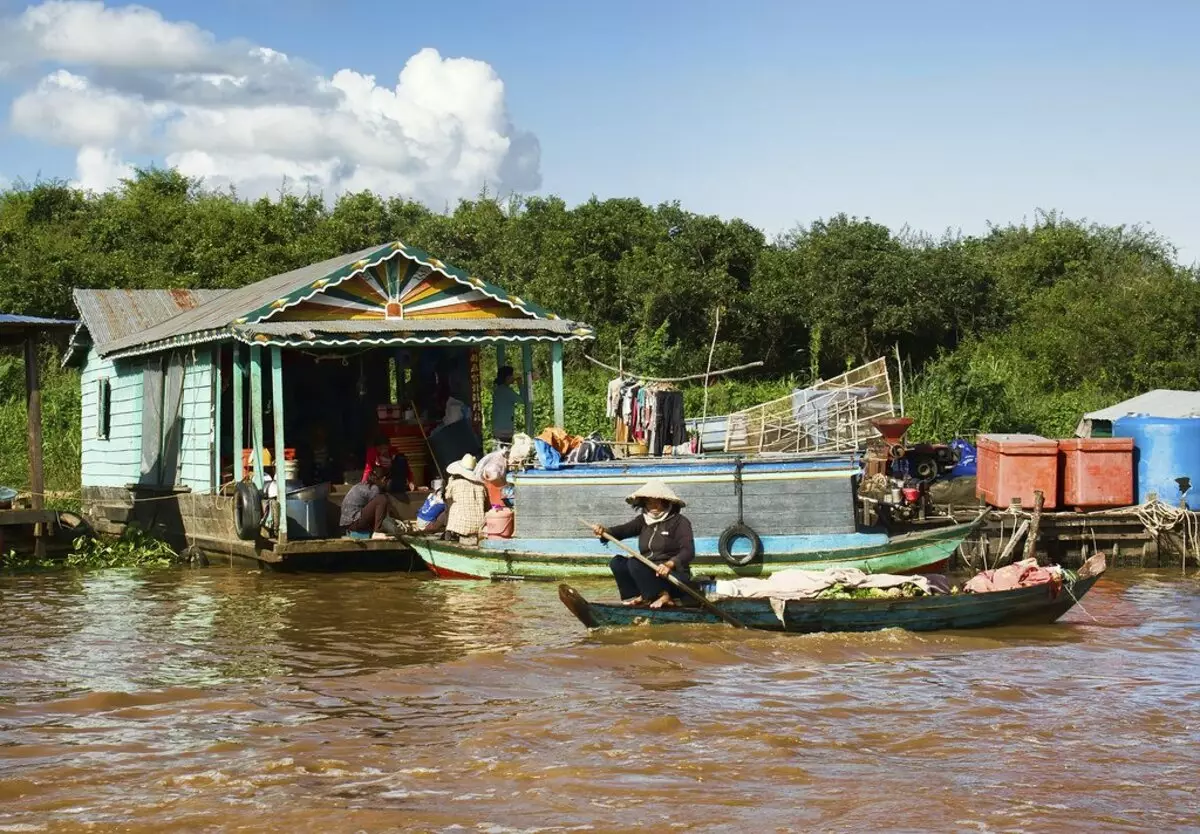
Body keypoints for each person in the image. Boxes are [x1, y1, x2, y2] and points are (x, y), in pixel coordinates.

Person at [591, 480, 696, 609]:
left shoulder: (680, 522)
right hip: (648, 575)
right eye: (649, 502)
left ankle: (664, 596)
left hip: (672, 575)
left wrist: (669, 564)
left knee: (635, 563)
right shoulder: (643, 520)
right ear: (643, 503)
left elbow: (688, 551)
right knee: (617, 562)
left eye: (657, 501)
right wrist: (604, 531)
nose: (653, 506)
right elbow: (622, 530)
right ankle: (642, 596)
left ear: (666, 502)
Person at [443, 453, 487, 542]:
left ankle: (449, 530)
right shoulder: (481, 486)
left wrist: (450, 482)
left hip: (459, 526)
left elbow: (446, 496)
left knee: (450, 505)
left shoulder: (455, 484)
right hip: (479, 526)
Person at [341, 469, 396, 538]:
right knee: (382, 499)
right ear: (383, 479)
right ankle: (377, 532)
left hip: (349, 523)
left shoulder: (363, 485)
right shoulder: (374, 489)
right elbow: (379, 510)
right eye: (387, 481)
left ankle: (376, 530)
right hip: (354, 522)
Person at [490, 366, 530, 445]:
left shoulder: (498, 389)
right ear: (507, 377)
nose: (513, 378)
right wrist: (520, 385)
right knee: (505, 452)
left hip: (497, 427)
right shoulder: (507, 391)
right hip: (505, 429)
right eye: (512, 376)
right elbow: (522, 400)